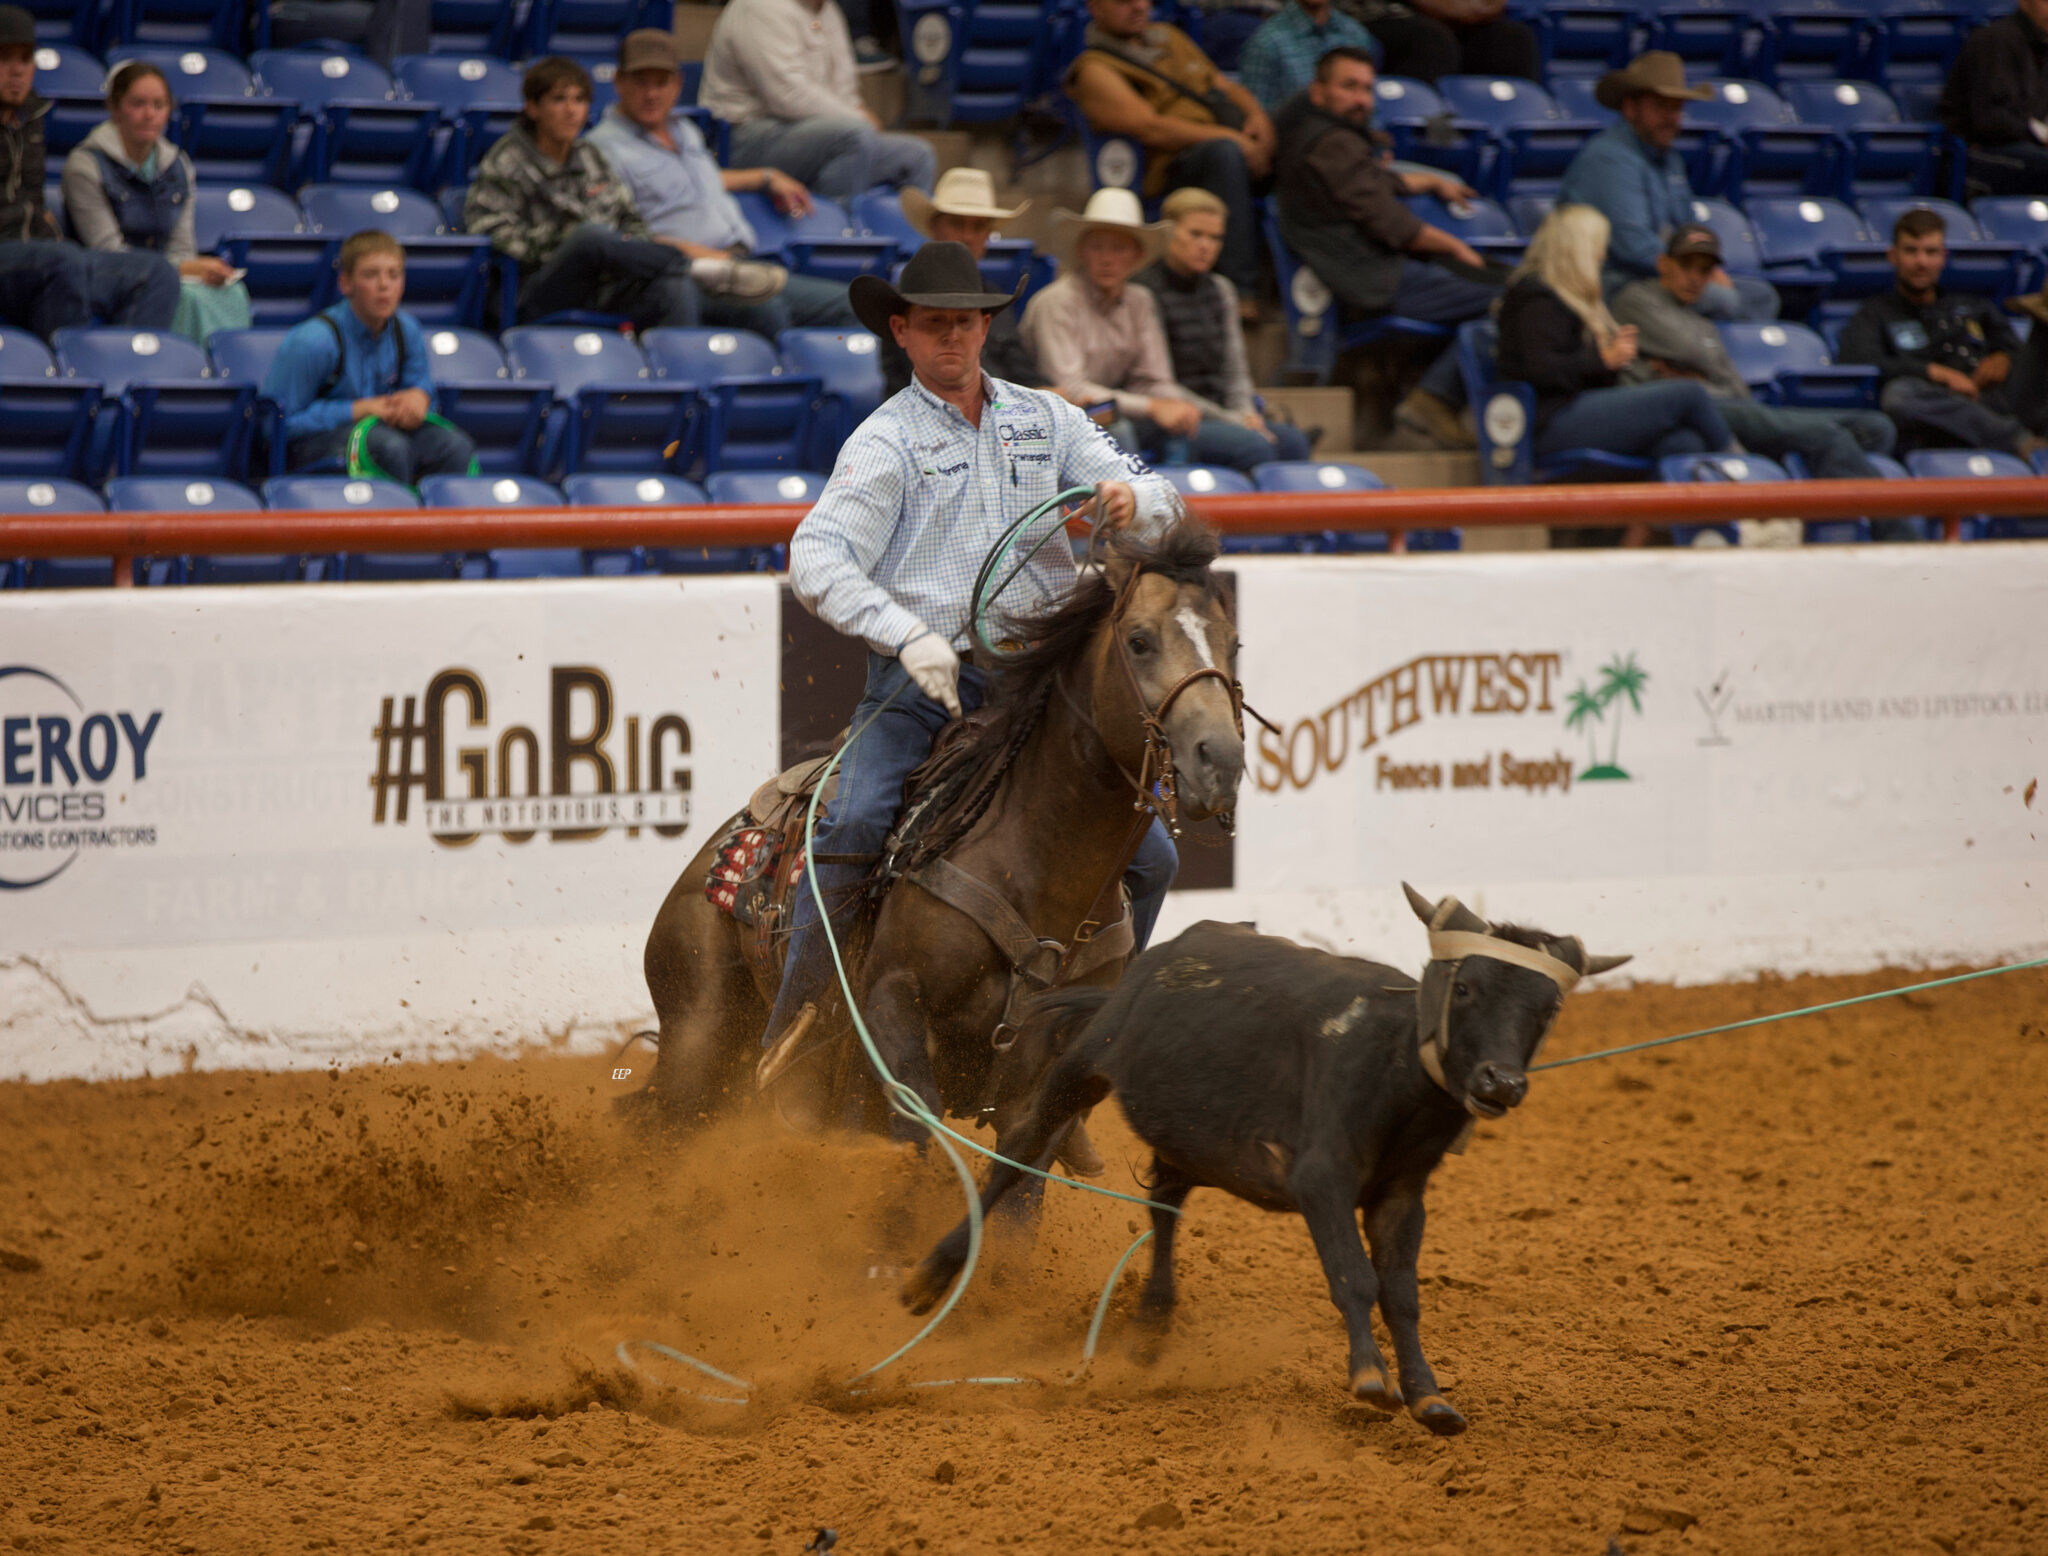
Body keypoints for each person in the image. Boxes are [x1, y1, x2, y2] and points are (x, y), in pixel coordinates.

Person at [773, 239, 1181, 1171]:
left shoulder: (1048, 420)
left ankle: (1073, 1053)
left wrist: (1129, 496)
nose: (952, 335)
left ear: (986, 327)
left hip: (1041, 690)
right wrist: (909, 635)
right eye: (933, 323)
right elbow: (818, 560)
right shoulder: (884, 443)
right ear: (903, 332)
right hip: (922, 686)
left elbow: (1161, 501)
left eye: (967, 320)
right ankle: (799, 1040)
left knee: (1148, 856)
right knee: (854, 820)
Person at [1274, 47, 1505, 447]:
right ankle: (1434, 398)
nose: (1362, 98)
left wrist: (1431, 181)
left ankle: (1432, 395)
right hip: (1368, 281)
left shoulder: (1332, 139)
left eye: (1367, 88)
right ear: (1318, 92)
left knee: (1502, 289)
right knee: (1511, 294)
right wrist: (1455, 248)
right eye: (1349, 87)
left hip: (1373, 273)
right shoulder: (1332, 142)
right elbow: (1392, 223)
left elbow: (1381, 182)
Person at [587, 29, 859, 337]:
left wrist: (764, 176)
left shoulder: (683, 130)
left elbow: (693, 181)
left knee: (854, 305)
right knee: (769, 310)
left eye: (661, 83)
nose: (652, 94)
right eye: (641, 82)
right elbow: (620, 235)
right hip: (687, 273)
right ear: (619, 82)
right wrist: (706, 255)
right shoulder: (601, 148)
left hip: (742, 262)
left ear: (677, 85)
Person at [1612, 223, 1895, 478]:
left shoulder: (1697, 318)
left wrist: (1695, 374)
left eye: (1704, 270)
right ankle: (1891, 528)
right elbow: (1694, 352)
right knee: (1826, 436)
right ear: (1663, 263)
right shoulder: (1636, 299)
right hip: (1698, 413)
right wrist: (1701, 373)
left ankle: (1825, 518)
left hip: (1735, 409)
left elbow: (1735, 387)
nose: (1695, 278)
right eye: (1686, 265)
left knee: (1875, 427)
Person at [1022, 188, 1274, 472]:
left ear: (1136, 256)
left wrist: (1179, 407)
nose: (1107, 259)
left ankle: (1175, 509)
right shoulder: (1056, 301)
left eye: (1119, 249)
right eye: (1097, 247)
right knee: (1120, 429)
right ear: (1082, 251)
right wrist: (1154, 407)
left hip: (1119, 410)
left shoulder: (1139, 300)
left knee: (1187, 426)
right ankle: (1136, 510)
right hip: (1062, 417)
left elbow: (1155, 379)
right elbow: (1072, 389)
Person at [465, 57, 710, 330]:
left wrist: (618, 246)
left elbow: (632, 219)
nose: (572, 111)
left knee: (673, 287)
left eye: (580, 100)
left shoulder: (589, 154)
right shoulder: (506, 160)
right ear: (533, 108)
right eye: (559, 100)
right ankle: (687, 264)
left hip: (603, 283)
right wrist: (564, 242)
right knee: (589, 236)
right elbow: (489, 231)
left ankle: (684, 365)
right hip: (536, 289)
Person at [1496, 204, 1733, 469]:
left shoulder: (1570, 297)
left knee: (1683, 443)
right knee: (1690, 394)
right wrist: (1603, 359)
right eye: (1598, 245)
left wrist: (1612, 358)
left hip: (1576, 407)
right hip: (1547, 419)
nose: (1602, 255)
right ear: (1579, 248)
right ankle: (1752, 484)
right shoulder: (1537, 296)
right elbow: (1543, 370)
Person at [1064, 0, 1274, 297]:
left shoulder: (1169, 36)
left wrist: (1257, 116)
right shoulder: (1094, 69)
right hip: (1170, 168)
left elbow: (1224, 86)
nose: (1137, 6)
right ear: (1095, 7)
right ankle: (1240, 289)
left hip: (1226, 140)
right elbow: (1151, 128)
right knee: (1223, 154)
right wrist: (1234, 139)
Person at [1556, 51, 1778, 322]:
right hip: (1616, 286)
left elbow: (1689, 229)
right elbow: (1633, 247)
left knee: (1760, 295)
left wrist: (1703, 267)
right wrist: (1692, 274)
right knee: (1725, 299)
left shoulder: (1668, 157)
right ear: (1630, 107)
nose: (1672, 117)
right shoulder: (1608, 158)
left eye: (1677, 108)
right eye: (1661, 106)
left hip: (1665, 276)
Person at [0, 6, 178, 341]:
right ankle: (68, 383)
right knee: (63, 261)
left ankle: (118, 380)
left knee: (157, 273)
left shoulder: (31, 118)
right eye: (5, 58)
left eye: (25, 59)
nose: (16, 71)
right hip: (16, 258)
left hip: (35, 252)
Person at [59, 61, 252, 346]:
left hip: (168, 272)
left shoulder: (179, 166)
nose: (149, 115)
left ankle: (222, 382)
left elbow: (182, 248)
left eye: (159, 105)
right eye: (138, 104)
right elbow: (109, 252)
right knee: (184, 296)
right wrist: (185, 270)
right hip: (106, 276)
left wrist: (197, 268)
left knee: (231, 292)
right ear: (114, 108)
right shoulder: (85, 166)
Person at [261, 230, 478, 484]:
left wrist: (419, 398)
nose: (384, 285)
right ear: (345, 283)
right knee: (388, 448)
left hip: (384, 432)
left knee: (456, 447)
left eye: (393, 275)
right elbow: (275, 426)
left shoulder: (406, 329)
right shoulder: (313, 341)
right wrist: (356, 410)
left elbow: (420, 387)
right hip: (314, 442)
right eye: (371, 275)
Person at [1838, 208, 2048, 459]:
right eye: (1911, 251)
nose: (1921, 262)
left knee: (2042, 329)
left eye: (1931, 252)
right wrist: (1935, 373)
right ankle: (2017, 440)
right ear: (1893, 256)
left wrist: (2003, 358)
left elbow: (2017, 351)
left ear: (1944, 257)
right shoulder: (1875, 312)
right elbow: (1858, 359)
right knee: (1899, 395)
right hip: (1940, 409)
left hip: (1995, 397)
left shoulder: (1971, 305)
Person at [1136, 187, 1314, 462]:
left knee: (1293, 442)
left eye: (1215, 237)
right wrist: (1234, 420)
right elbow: (1159, 383)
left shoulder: (1221, 289)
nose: (1206, 246)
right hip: (1176, 417)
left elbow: (1235, 368)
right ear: (1168, 231)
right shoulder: (1143, 292)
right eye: (1196, 234)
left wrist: (1246, 413)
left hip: (1224, 414)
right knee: (1255, 447)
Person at [699, 0, 937, 201]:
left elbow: (845, 90)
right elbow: (787, 97)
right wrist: (859, 118)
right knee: (854, 136)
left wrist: (857, 112)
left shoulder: (828, 10)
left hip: (814, 134)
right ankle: (837, 239)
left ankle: (907, 250)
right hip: (743, 137)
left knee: (916, 156)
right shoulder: (759, 7)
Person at [879, 166, 1043, 397]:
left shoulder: (992, 294)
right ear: (934, 227)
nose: (968, 236)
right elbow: (937, 384)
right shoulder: (906, 299)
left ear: (988, 235)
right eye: (958, 224)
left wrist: (1047, 395)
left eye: (978, 227)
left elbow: (1022, 371)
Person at [1937, 0, 2048, 197]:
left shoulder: (2042, 45)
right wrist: (2041, 134)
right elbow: (1990, 121)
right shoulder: (1994, 40)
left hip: (2028, 147)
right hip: (1981, 151)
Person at [1333, 0, 1538, 84]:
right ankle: (1425, 134)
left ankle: (1515, 142)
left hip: (1458, 20)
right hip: (1377, 17)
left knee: (1514, 39)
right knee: (1431, 40)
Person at [1237, 0, 1378, 114]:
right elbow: (1258, 121)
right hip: (1296, 142)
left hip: (1353, 139)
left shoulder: (1355, 34)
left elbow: (1369, 108)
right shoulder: (1266, 42)